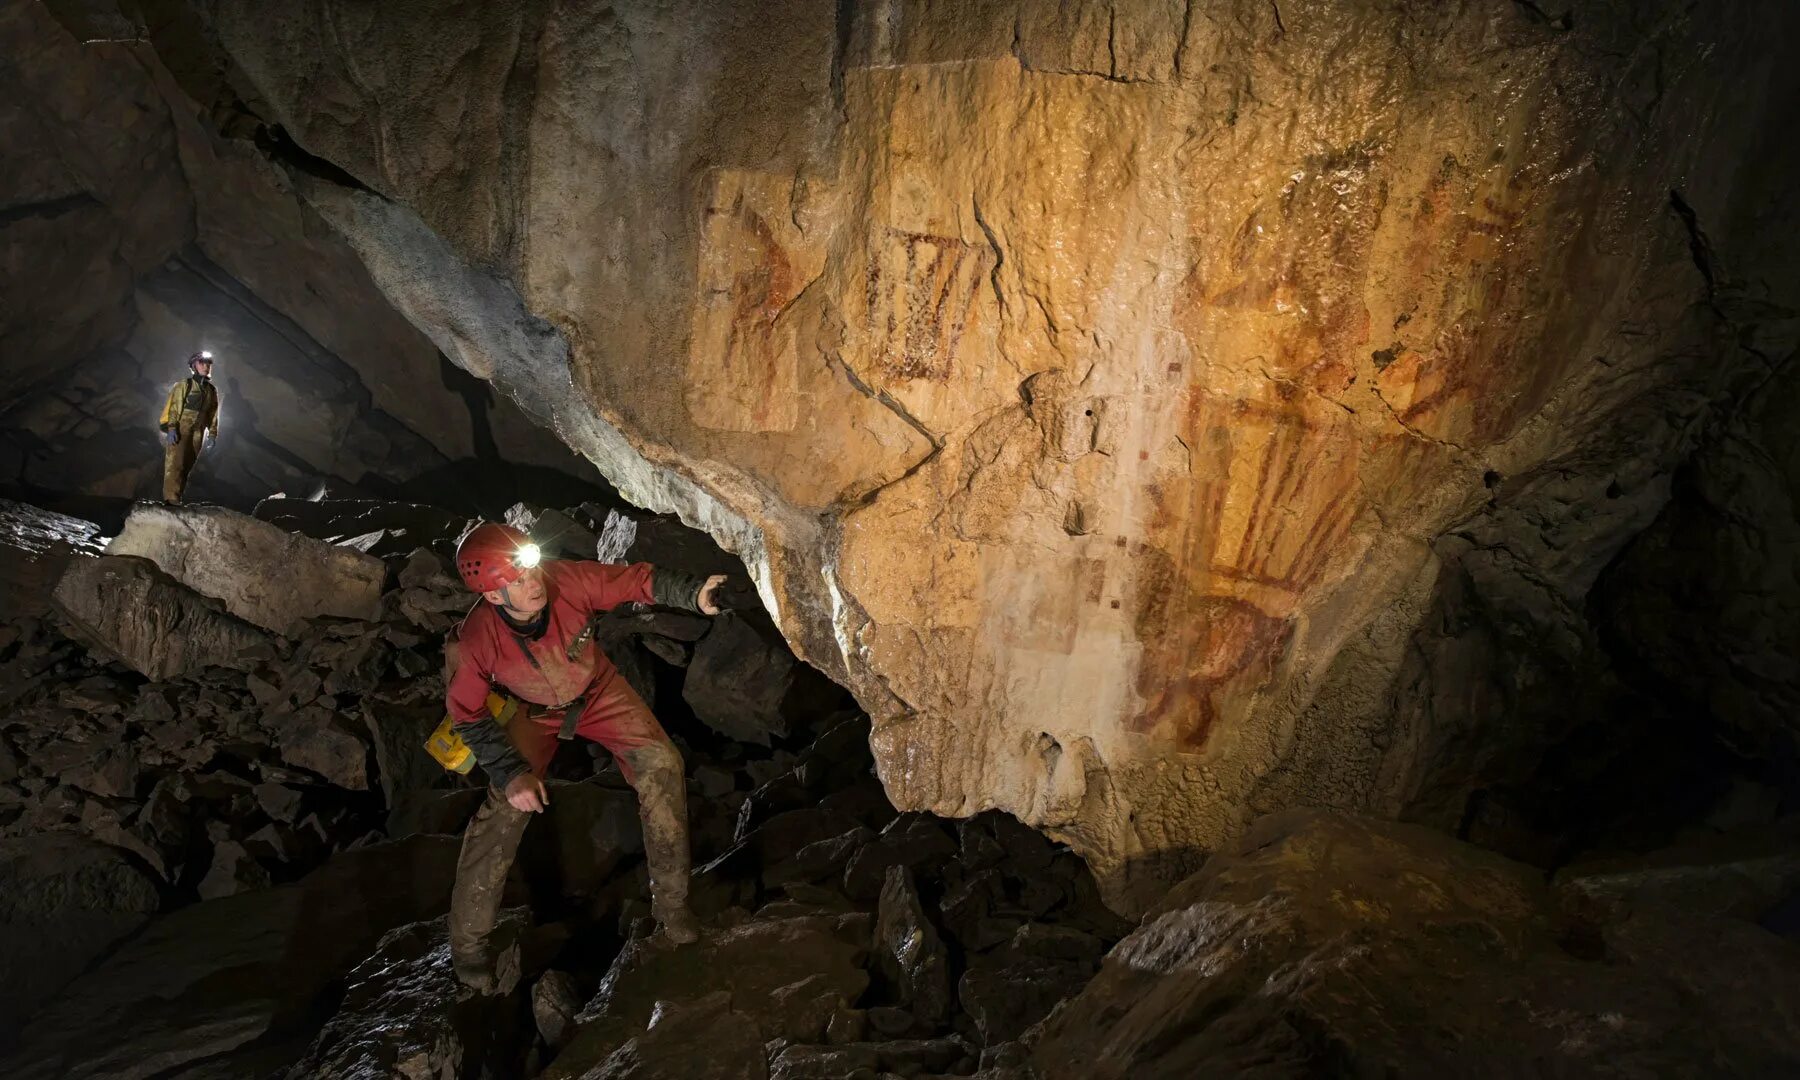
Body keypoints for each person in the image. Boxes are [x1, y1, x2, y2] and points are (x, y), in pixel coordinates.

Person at [444, 521, 727, 991]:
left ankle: (673, 911)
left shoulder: (564, 580)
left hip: (597, 693)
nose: (532, 584)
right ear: (494, 597)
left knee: (662, 765)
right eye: (515, 581)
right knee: (502, 813)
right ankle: (469, 947)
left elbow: (635, 580)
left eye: (529, 569)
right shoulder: (476, 640)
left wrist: (693, 592)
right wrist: (511, 773)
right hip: (534, 715)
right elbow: (467, 715)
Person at [157, 351, 220, 503]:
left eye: (208, 364)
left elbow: (213, 414)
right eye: (202, 363)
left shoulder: (211, 390)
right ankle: (170, 499)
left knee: (186, 467)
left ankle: (176, 499)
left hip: (198, 432)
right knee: (175, 465)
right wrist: (172, 428)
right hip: (181, 428)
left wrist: (212, 434)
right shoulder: (184, 385)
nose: (206, 367)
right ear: (194, 366)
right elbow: (174, 407)